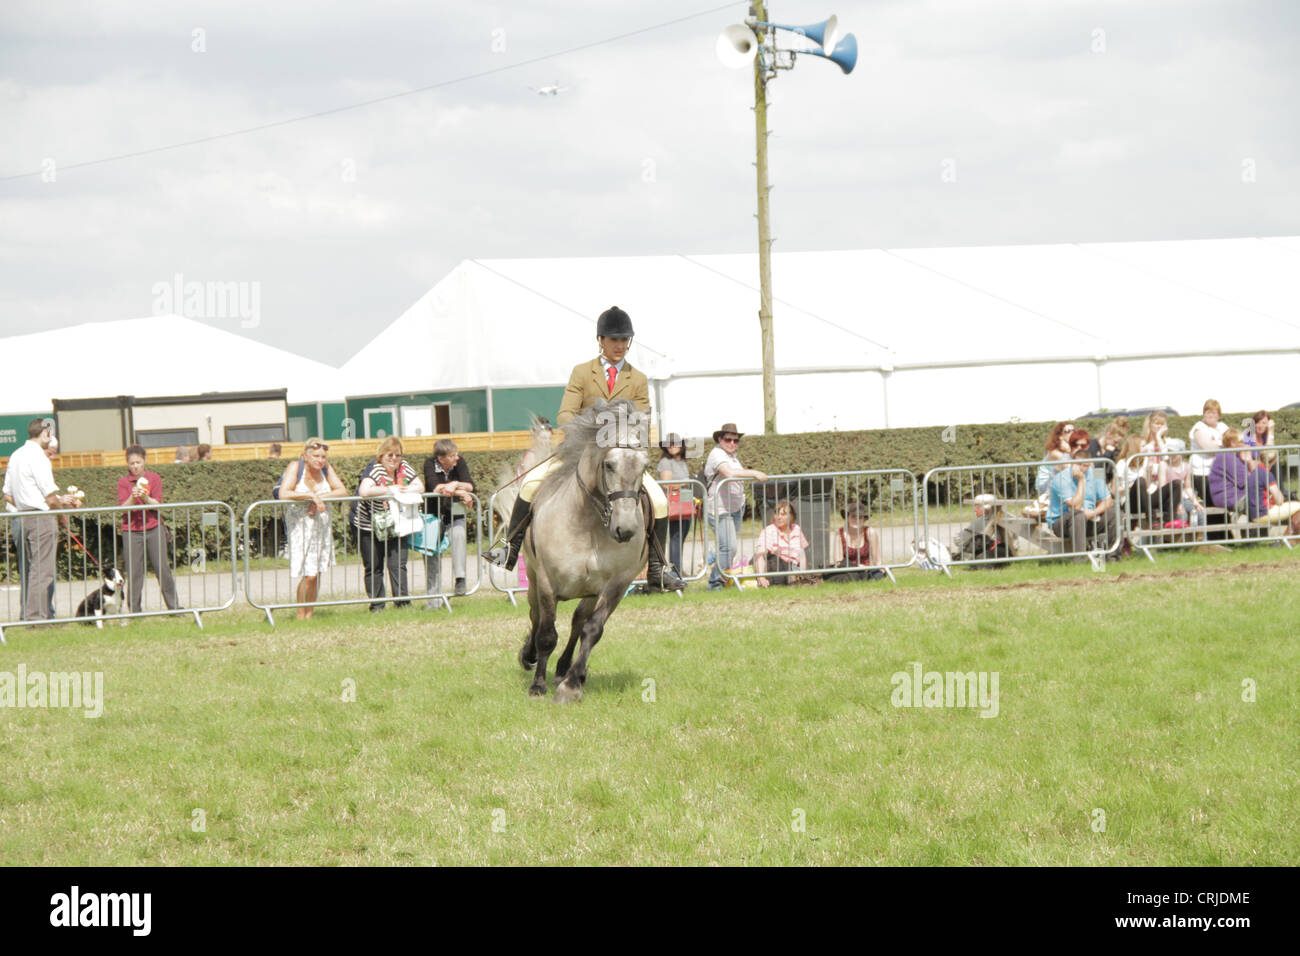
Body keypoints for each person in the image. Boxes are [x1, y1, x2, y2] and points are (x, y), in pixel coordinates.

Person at [485, 306, 685, 591]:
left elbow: (642, 420)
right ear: (601, 340)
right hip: (580, 454)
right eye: (614, 340)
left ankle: (658, 567)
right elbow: (565, 415)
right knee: (530, 484)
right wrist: (591, 431)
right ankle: (509, 547)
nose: (620, 346)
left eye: (624, 340)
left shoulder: (637, 378)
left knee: (660, 501)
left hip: (620, 458)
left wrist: (624, 436)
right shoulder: (582, 372)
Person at [6, 418, 79, 620]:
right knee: (43, 571)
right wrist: (57, 511)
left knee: (33, 570)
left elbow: (8, 492)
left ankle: (37, 614)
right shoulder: (39, 458)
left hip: (23, 516)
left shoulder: (16, 455)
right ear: (45, 434)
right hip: (41, 516)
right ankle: (36, 617)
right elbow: (49, 496)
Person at [278, 439, 347, 620]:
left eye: (323, 456)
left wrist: (319, 497)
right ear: (305, 456)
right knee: (307, 573)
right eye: (316, 456)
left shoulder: (326, 469)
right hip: (300, 526)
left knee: (316, 572)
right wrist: (309, 496)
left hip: (321, 527)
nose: (320, 460)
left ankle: (310, 613)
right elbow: (284, 494)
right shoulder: (295, 467)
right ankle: (301, 614)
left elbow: (342, 490)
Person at [353, 437, 423, 611]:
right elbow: (365, 490)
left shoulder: (404, 467)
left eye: (398, 455)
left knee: (398, 563)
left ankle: (402, 603)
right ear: (381, 455)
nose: (394, 459)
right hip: (367, 524)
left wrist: (405, 489)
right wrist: (389, 490)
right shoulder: (375, 469)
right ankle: (377, 605)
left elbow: (420, 486)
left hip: (396, 523)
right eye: (389, 455)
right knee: (374, 565)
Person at [117, 444, 182, 615]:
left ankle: (174, 607)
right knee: (134, 572)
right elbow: (123, 508)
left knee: (162, 568)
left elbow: (157, 504)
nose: (135, 466)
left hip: (153, 527)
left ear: (144, 462)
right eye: (132, 463)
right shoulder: (124, 482)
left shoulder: (154, 478)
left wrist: (145, 496)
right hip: (131, 530)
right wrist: (133, 495)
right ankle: (135, 611)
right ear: (128, 464)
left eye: (138, 462)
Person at [704, 422, 768, 590]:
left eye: (735, 440)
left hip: (735, 509)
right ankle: (715, 583)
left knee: (728, 548)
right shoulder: (717, 454)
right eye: (728, 440)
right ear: (720, 439)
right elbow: (729, 473)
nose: (732, 443)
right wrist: (754, 473)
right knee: (729, 548)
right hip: (719, 510)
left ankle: (715, 567)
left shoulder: (732, 457)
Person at [1047, 430, 1118, 554]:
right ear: (1073, 462)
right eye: (1078, 464)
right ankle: (1079, 559)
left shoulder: (1095, 473)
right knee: (1078, 515)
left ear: (1090, 464)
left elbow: (1108, 500)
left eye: (1085, 465)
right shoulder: (1061, 478)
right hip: (1061, 522)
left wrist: (1093, 512)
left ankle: (1113, 557)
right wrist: (1081, 481)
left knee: (1115, 513)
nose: (1082, 468)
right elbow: (1076, 506)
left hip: (1088, 517)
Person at [423, 438, 475, 599]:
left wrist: (455, 484)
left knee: (459, 534)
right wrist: (459, 491)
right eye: (452, 456)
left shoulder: (460, 463)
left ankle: (460, 579)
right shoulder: (429, 464)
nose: (457, 458)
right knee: (431, 551)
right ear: (441, 459)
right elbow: (435, 487)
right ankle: (434, 594)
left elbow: (470, 485)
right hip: (433, 515)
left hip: (455, 513)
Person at [1208, 429, 1282, 520]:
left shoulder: (1234, 456)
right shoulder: (1227, 457)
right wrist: (1249, 461)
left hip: (1237, 495)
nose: (1246, 444)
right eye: (1242, 441)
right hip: (1231, 498)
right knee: (1266, 505)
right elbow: (1247, 480)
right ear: (1233, 443)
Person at [657, 433, 693, 579]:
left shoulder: (681, 461)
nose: (672, 446)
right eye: (670, 444)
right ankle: (675, 571)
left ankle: (678, 568)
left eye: (676, 443)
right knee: (676, 537)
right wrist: (686, 482)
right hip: (674, 503)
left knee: (681, 536)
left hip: (685, 503)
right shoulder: (666, 461)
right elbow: (668, 484)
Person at [753, 498, 808, 588]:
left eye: (783, 514)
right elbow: (760, 555)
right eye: (777, 513)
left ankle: (794, 579)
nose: (779, 517)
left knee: (794, 569)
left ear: (791, 516)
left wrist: (804, 574)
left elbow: (802, 555)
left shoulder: (797, 529)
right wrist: (761, 577)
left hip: (792, 566)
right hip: (775, 565)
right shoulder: (769, 530)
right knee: (775, 560)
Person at [827, 502, 884, 581]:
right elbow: (838, 561)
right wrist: (857, 566)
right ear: (847, 517)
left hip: (866, 570)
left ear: (864, 519)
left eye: (860, 517)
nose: (856, 520)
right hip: (847, 570)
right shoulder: (839, 532)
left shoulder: (870, 532)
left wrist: (880, 569)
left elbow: (877, 560)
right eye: (853, 516)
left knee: (878, 575)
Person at [1189, 399, 1228, 504]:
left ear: (1218, 415)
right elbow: (1208, 449)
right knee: (1212, 500)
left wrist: (1218, 446)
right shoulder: (1198, 427)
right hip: (1202, 472)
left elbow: (1233, 441)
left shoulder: (1223, 427)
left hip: (1220, 471)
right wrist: (1224, 447)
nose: (1211, 415)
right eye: (1208, 412)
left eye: (1214, 412)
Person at [1035, 422, 1074, 495]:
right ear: (1060, 436)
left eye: (1074, 430)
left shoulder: (1070, 449)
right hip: (1044, 486)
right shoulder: (1054, 452)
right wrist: (1068, 449)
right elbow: (1069, 464)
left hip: (1057, 482)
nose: (1072, 433)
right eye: (1068, 431)